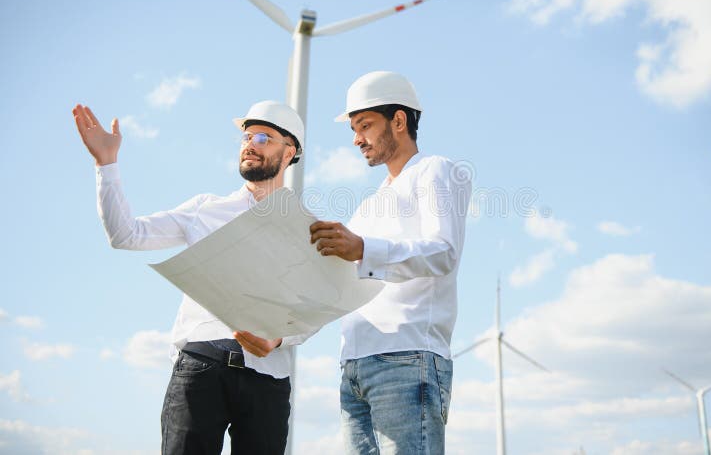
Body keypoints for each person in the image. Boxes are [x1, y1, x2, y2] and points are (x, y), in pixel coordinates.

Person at [237, 71, 472, 454]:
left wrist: (363, 248)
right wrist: (281, 336)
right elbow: (334, 290)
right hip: (354, 369)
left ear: (398, 120)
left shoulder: (435, 171)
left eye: (364, 125)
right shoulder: (368, 207)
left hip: (408, 359)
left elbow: (443, 252)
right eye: (353, 128)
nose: (356, 138)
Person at [72, 100, 310, 455]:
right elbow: (126, 234)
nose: (250, 143)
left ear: (289, 151)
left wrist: (279, 338)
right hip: (200, 368)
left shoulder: (306, 229)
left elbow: (316, 305)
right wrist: (106, 164)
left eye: (263, 137)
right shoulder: (205, 209)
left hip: (267, 379)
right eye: (246, 136)